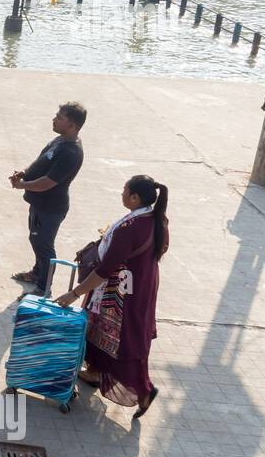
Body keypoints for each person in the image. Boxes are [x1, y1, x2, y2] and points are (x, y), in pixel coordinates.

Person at [55, 175, 169, 419]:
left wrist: (74, 293)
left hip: (120, 293)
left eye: (125, 191)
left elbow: (104, 269)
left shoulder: (130, 228)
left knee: (125, 340)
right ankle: (95, 372)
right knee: (97, 328)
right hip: (138, 286)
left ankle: (143, 391)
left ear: (135, 197)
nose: (121, 194)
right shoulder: (154, 219)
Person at [10, 102, 86, 291]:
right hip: (40, 204)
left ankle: (44, 287)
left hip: (50, 208)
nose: (54, 119)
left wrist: (22, 185)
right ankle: (37, 272)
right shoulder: (60, 140)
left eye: (59, 118)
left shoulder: (71, 152)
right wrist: (24, 173)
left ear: (71, 125)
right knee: (35, 240)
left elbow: (48, 182)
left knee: (44, 245)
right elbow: (41, 162)